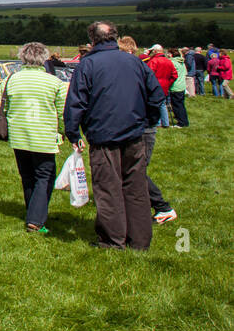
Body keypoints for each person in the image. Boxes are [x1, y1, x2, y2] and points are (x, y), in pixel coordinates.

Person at [65, 22, 166, 250]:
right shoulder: (134, 62)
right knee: (135, 186)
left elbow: (76, 103)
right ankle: (139, 240)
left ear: (92, 40)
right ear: (115, 37)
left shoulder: (87, 65)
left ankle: (113, 240)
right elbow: (156, 95)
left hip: (104, 136)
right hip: (134, 134)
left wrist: (72, 132)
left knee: (109, 188)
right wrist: (147, 120)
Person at [0, 42, 68, 234]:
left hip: (19, 135)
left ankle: (33, 210)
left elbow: (2, 105)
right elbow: (63, 112)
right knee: (45, 176)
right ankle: (36, 219)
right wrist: (63, 131)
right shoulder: (55, 82)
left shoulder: (10, 80)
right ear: (44, 59)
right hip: (43, 136)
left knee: (28, 176)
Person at [117, 38, 178, 223]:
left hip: (141, 125)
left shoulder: (141, 67)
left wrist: (147, 118)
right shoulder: (141, 66)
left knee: (135, 170)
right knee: (130, 169)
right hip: (137, 123)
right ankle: (137, 206)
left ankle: (162, 207)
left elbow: (155, 95)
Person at [144, 44, 176, 127]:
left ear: (154, 51)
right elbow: (174, 75)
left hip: (154, 85)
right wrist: (168, 83)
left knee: (153, 104)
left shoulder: (154, 61)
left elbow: (148, 74)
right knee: (162, 104)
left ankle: (156, 123)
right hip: (165, 85)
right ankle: (165, 123)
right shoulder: (168, 61)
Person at [167, 47, 188, 126]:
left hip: (175, 86)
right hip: (182, 85)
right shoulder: (181, 62)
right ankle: (184, 120)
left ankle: (181, 123)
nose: (167, 55)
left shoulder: (172, 62)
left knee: (176, 106)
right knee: (181, 105)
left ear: (171, 55)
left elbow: (170, 74)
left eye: (169, 53)